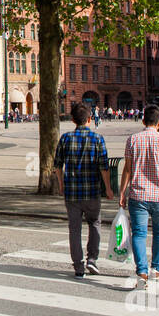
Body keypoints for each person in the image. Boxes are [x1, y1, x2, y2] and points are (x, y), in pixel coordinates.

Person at [118, 105, 159, 290]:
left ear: (143, 121)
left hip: (138, 194)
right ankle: (156, 270)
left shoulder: (133, 140)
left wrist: (122, 192)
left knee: (139, 234)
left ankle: (142, 272)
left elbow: (127, 168)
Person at [52, 103, 115, 278]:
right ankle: (92, 259)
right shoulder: (97, 139)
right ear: (89, 119)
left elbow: (57, 165)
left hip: (72, 192)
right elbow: (104, 167)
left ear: (72, 120)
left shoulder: (65, 138)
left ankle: (78, 266)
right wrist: (108, 189)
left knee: (74, 229)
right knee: (94, 224)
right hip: (92, 191)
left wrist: (61, 184)